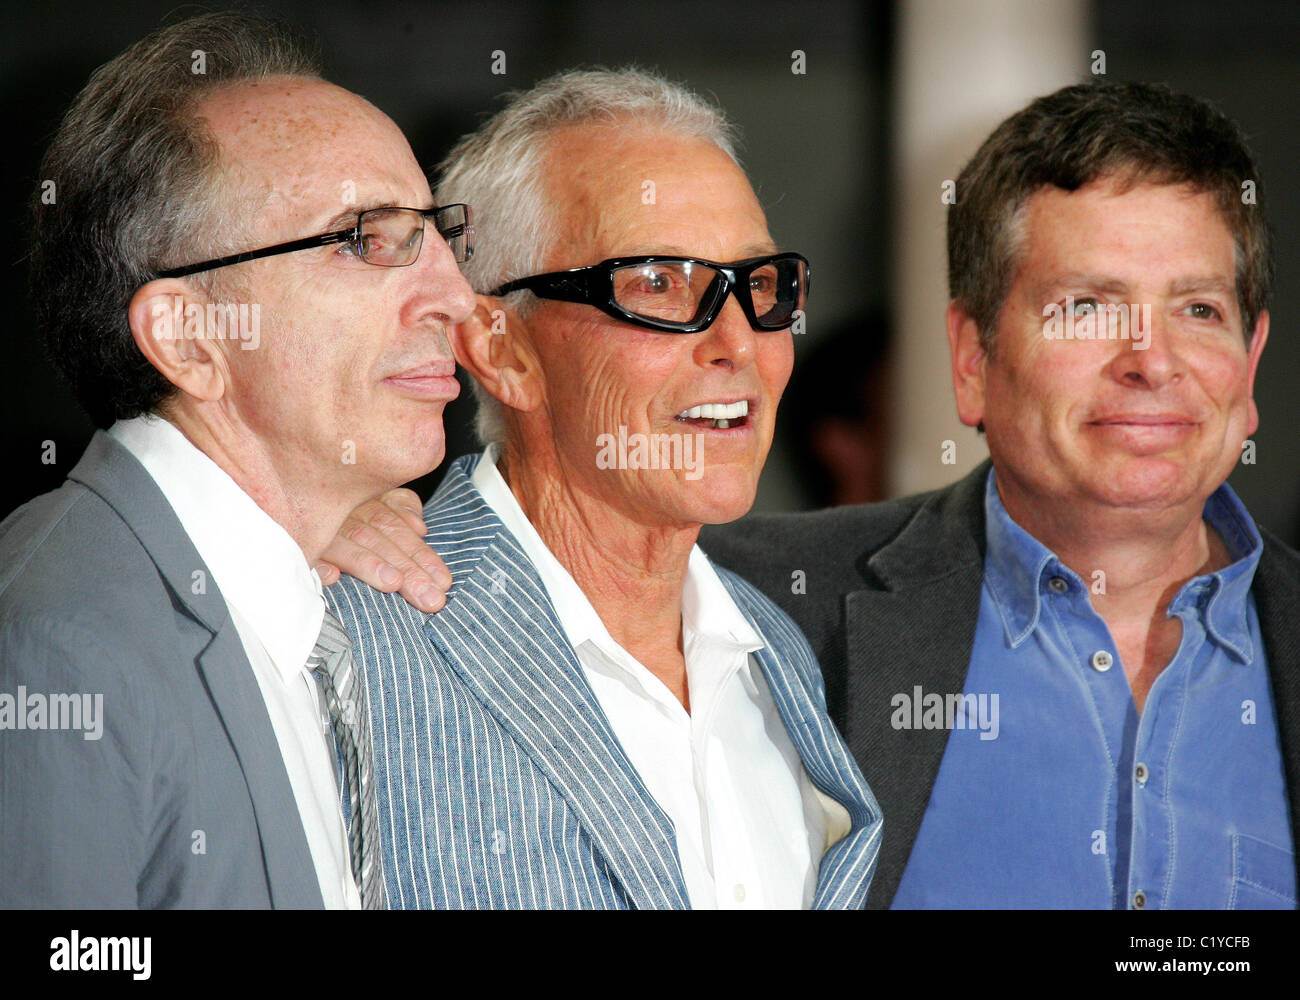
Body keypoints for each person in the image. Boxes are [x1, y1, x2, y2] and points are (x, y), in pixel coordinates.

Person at [343, 80, 1298, 910]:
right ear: (969, 360)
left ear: (1252, 366)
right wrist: (319, 522)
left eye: (1199, 309)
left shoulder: (752, 642)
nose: (1152, 362)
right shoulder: (800, 610)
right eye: (659, 284)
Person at [323, 68, 882, 909]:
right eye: (659, 283)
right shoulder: (346, 640)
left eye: (757, 285)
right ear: (501, 348)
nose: (738, 342)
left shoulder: (776, 652)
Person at [0, 12, 475, 908]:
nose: (455, 295)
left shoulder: (297, 589)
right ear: (189, 339)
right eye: (365, 238)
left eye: (439, 232)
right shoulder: (58, 651)